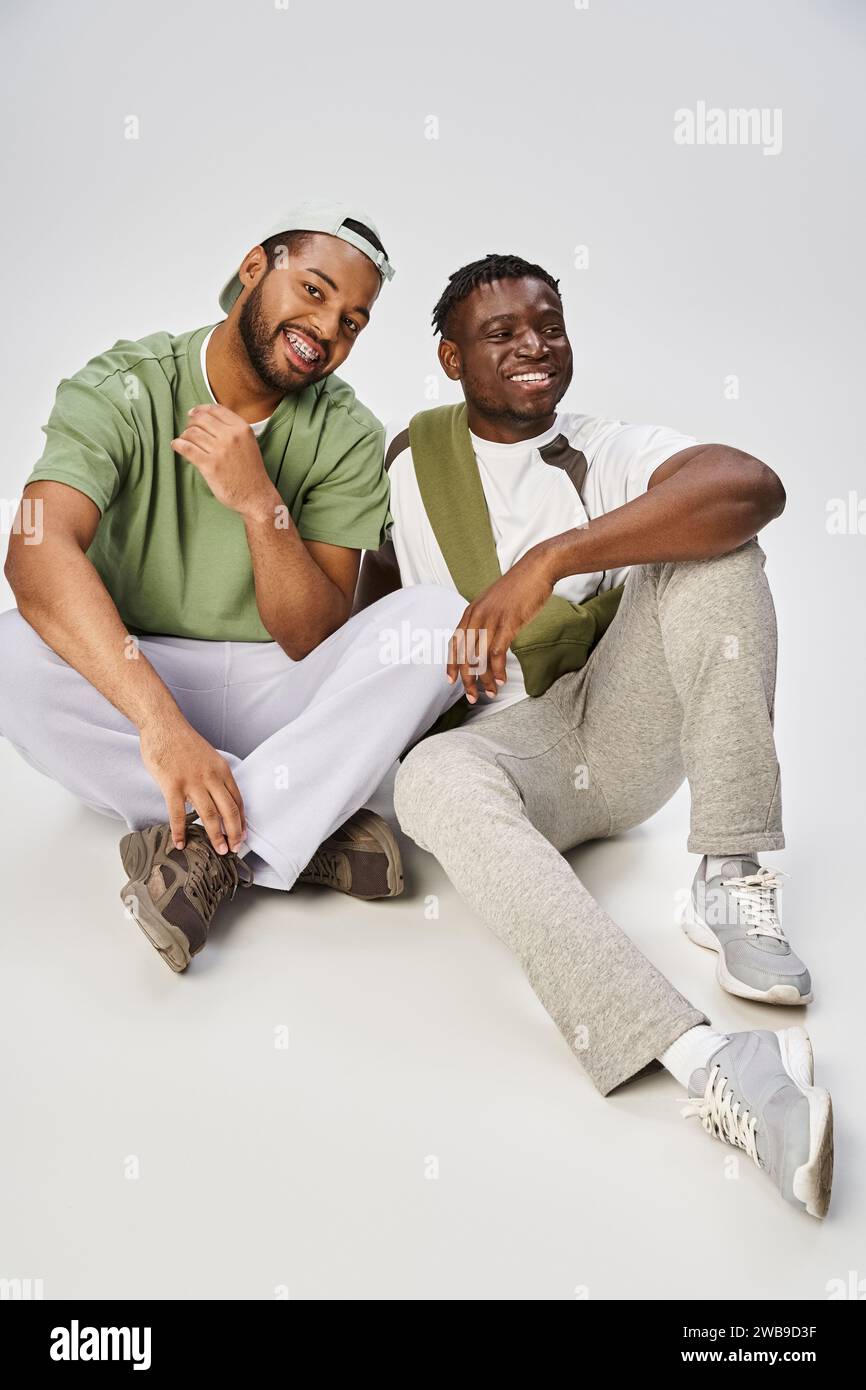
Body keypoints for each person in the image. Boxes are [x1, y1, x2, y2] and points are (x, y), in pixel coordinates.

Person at [355, 252, 834, 1219]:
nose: (535, 346)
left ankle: (729, 875)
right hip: (502, 760)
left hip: (610, 731)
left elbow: (754, 483)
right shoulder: (409, 461)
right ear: (451, 360)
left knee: (719, 544)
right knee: (429, 781)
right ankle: (708, 1061)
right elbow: (362, 615)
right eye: (503, 333)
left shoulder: (601, 450)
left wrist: (553, 558)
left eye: (550, 326)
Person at [0, 201, 466, 972]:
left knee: (440, 620)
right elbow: (34, 555)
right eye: (313, 291)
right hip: (135, 675)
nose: (326, 329)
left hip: (276, 688)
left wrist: (261, 505)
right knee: (7, 650)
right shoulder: (125, 386)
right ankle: (298, 825)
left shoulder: (345, 431)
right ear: (255, 269)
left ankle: (209, 848)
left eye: (352, 321)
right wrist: (160, 723)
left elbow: (311, 636)